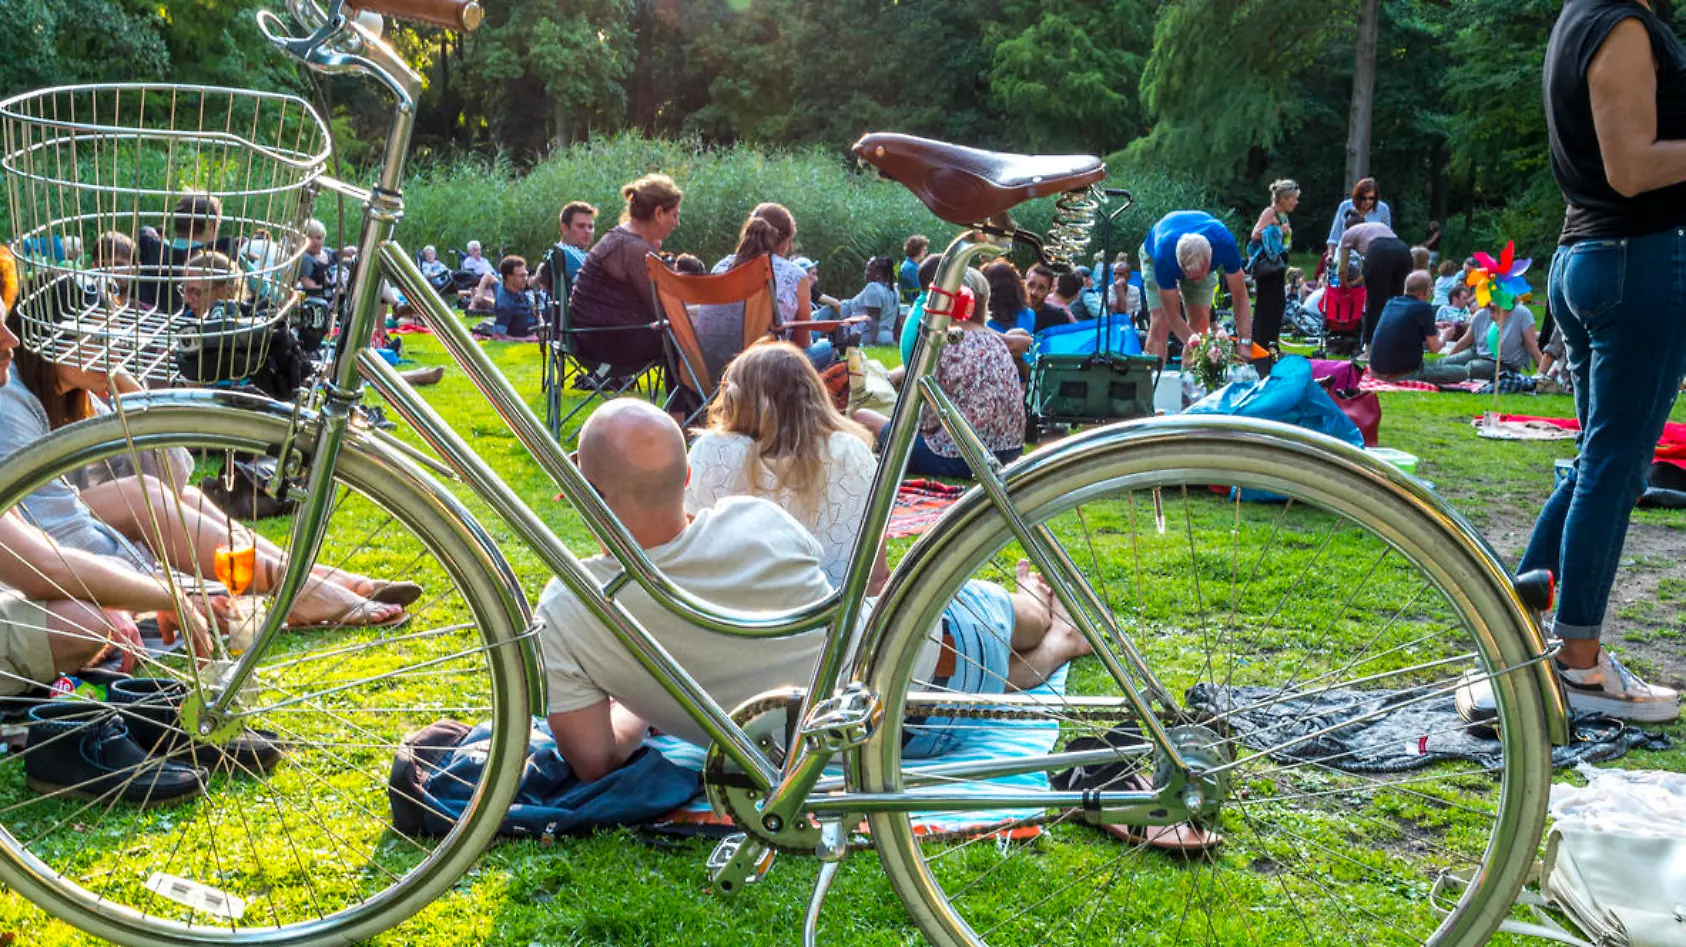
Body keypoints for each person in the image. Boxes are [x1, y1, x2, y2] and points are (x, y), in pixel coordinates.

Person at [535, 399, 1092, 780]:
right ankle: (1051, 621)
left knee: (979, 679)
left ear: (584, 490)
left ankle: (1056, 632)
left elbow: (595, 759)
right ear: (686, 478)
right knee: (1000, 626)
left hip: (887, 742)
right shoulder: (752, 519)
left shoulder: (568, 610)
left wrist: (635, 700)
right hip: (931, 652)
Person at [0, 320, 409, 630]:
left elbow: (175, 474)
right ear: (45, 345)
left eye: (109, 335)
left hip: (75, 529)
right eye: (90, 338)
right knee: (142, 496)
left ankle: (311, 577)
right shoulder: (13, 402)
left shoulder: (80, 394)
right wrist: (157, 586)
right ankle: (287, 586)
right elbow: (55, 528)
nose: (107, 350)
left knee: (189, 498)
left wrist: (135, 396)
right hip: (44, 543)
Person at [687, 342, 884, 591]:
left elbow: (690, 554)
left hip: (732, 615)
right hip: (834, 615)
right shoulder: (851, 451)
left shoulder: (714, 450)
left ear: (735, 397)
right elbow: (876, 574)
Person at [568, 174, 682, 367]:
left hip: (591, 337)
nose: (677, 223)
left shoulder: (620, 238)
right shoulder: (633, 249)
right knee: (686, 334)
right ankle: (690, 397)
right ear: (658, 213)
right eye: (675, 215)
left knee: (681, 331)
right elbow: (665, 309)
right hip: (608, 343)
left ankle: (685, 396)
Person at [698, 203, 822, 379]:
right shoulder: (794, 275)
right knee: (829, 349)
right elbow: (801, 344)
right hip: (763, 375)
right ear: (784, 242)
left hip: (706, 372)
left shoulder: (721, 267)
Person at [1139, 210, 1254, 360]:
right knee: (1160, 322)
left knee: (1200, 324)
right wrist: (1198, 345)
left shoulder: (1224, 243)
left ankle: (1191, 378)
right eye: (1191, 277)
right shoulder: (1163, 256)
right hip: (1153, 254)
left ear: (1210, 260)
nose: (1195, 281)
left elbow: (1240, 297)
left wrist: (1244, 341)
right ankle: (1151, 379)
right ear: (1180, 266)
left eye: (1200, 275)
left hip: (1204, 249)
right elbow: (1172, 315)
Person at [135, 192, 233, 313]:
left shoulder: (150, 249)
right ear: (210, 225)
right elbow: (262, 289)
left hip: (149, 322)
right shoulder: (224, 253)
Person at [1367, 271, 1466, 383]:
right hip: (1403, 374)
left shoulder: (1392, 303)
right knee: (1462, 372)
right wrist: (1445, 336)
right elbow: (1435, 348)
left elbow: (1403, 326)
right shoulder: (1424, 307)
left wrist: (1433, 325)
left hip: (1375, 371)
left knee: (1438, 364)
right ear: (1425, 291)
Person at [1336, 215, 1412, 349]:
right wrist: (1354, 283)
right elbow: (1369, 273)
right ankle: (1398, 344)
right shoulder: (1379, 226)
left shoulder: (1348, 234)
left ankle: (1370, 347)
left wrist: (1344, 284)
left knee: (1375, 302)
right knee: (1398, 301)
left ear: (1347, 227)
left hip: (1379, 250)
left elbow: (1342, 269)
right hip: (1403, 249)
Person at [1249, 179, 1299, 351]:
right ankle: (1260, 343)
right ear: (1284, 198)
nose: (1296, 202)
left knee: (1278, 304)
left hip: (1279, 264)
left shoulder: (1284, 216)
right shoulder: (1270, 213)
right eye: (1294, 198)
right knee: (1267, 303)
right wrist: (1278, 231)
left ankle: (1272, 343)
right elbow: (1255, 234)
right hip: (1268, 267)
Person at [1440, 299, 1545, 378]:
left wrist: (1543, 372)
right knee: (1444, 363)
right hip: (1478, 352)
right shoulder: (1481, 314)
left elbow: (1531, 346)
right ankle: (1438, 373)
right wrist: (1448, 357)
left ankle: (1448, 375)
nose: (1491, 315)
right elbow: (1465, 341)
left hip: (1504, 363)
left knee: (1472, 367)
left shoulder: (1522, 314)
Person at [534, 200, 598, 301]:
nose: (587, 231)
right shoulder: (565, 252)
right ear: (564, 228)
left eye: (590, 227)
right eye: (581, 226)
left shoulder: (578, 254)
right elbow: (598, 289)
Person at [837, 256, 900, 347]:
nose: (866, 273)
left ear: (879, 273)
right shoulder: (894, 290)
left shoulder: (873, 288)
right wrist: (898, 340)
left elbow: (873, 319)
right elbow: (896, 320)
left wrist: (871, 344)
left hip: (867, 336)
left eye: (869, 269)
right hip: (888, 336)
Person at [1324, 177, 1394, 255]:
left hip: (1372, 255)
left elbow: (1388, 238)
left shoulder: (1383, 209)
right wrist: (1330, 255)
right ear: (1357, 197)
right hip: (1344, 253)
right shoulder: (1345, 206)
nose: (1368, 202)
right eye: (1364, 198)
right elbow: (1334, 237)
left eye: (1371, 198)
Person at [470, 255, 535, 339]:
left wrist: (480, 293)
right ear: (509, 277)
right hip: (527, 333)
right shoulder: (505, 304)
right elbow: (498, 336)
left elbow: (488, 276)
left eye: (526, 275)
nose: (525, 279)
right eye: (521, 276)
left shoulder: (504, 288)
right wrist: (525, 339)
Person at [1024, 264, 1074, 334]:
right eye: (1031, 285)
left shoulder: (1058, 318)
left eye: (1041, 288)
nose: (1034, 292)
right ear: (1024, 283)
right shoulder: (1010, 312)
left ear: (1049, 291)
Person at [299, 220, 332, 301]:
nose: (315, 242)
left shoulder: (325, 252)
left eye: (318, 238)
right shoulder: (306, 259)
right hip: (314, 297)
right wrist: (326, 288)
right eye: (310, 238)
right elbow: (307, 284)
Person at [899, 235, 929, 304]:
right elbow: (923, 291)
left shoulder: (911, 265)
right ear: (917, 250)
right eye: (924, 250)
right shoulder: (911, 268)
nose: (926, 252)